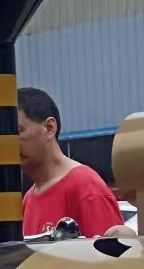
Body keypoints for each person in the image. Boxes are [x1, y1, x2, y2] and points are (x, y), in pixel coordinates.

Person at [17, 86, 123, 237]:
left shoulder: (86, 187)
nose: (9, 142)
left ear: (49, 127)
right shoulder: (28, 200)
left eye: (18, 131)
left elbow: (111, 251)